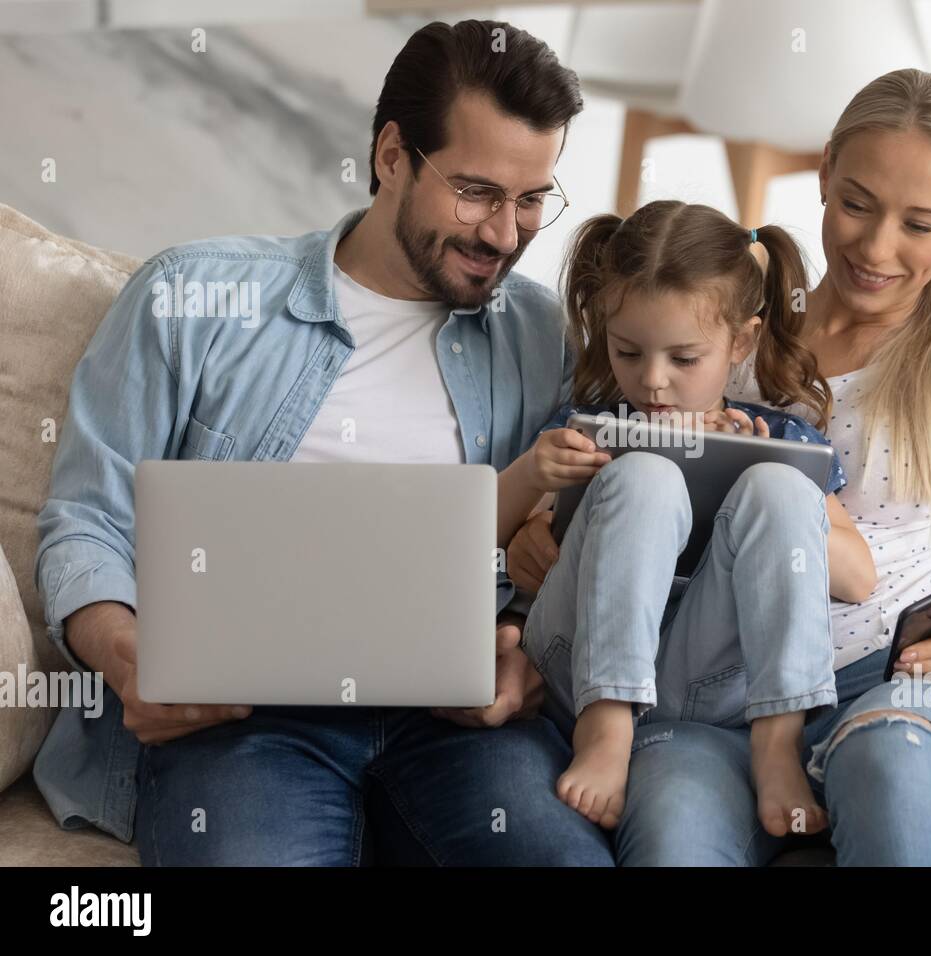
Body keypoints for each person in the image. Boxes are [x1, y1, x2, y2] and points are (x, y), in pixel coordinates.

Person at [33, 19, 615, 866]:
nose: (503, 234)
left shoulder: (542, 336)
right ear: (391, 157)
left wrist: (525, 653)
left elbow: (566, 539)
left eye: (531, 200)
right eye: (477, 192)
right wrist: (127, 659)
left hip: (454, 725)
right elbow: (86, 520)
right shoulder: (194, 296)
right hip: (242, 723)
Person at [506, 69, 931, 866]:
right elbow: (598, 472)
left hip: (889, 687)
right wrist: (537, 529)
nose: (875, 249)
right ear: (827, 169)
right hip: (708, 689)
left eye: (918, 223)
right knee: (673, 834)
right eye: (857, 204)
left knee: (888, 764)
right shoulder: (713, 320)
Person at [496, 201, 877, 836]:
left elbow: (859, 578)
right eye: (628, 351)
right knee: (644, 473)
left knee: (779, 488)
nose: (653, 380)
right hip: (578, 666)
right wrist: (535, 478)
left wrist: (753, 473)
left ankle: (777, 740)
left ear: (742, 342)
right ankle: (607, 728)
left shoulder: (782, 436)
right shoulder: (584, 429)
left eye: (683, 358)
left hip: (716, 685)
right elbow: (495, 546)